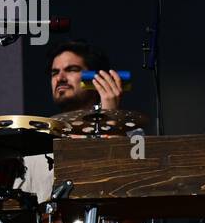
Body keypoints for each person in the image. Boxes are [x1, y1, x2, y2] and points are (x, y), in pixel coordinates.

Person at [20, 41, 126, 202]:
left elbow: (125, 180)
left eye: (72, 70)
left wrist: (110, 116)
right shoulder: (38, 138)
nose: (60, 78)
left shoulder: (128, 131)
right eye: (54, 73)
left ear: (96, 79)